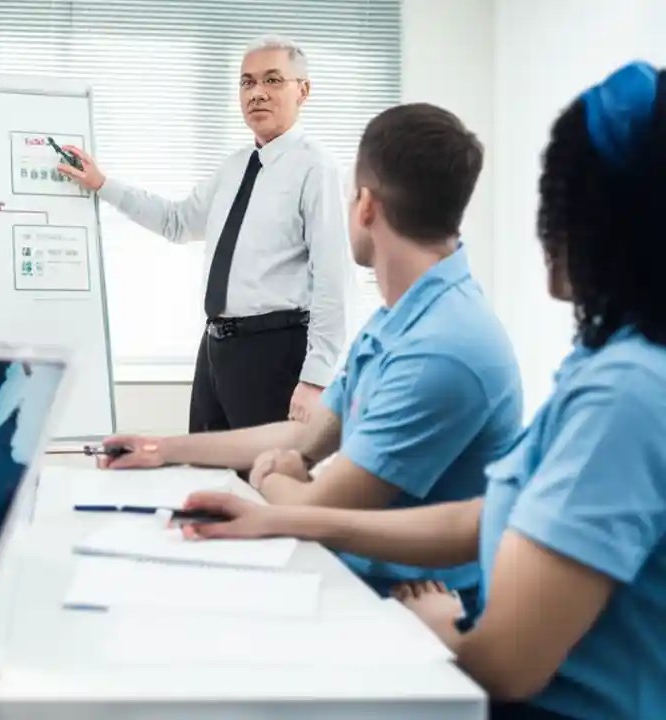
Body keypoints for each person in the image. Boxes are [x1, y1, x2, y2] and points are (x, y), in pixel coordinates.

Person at [180, 61, 666, 720]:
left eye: (558, 203)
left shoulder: (624, 392)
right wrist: (278, 513)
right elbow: (489, 515)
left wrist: (441, 627)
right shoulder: (607, 358)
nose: (544, 231)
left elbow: (504, 665)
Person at [103, 103, 522, 613]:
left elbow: (314, 506)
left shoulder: (445, 348)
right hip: (352, 574)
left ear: (364, 206)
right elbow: (304, 437)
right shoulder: (397, 320)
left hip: (407, 608)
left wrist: (271, 476)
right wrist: (162, 447)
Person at [59, 35, 349, 431]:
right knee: (205, 474)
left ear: (303, 91)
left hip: (275, 349)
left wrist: (316, 377)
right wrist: (102, 184)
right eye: (247, 82)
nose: (257, 93)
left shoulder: (317, 169)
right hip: (216, 347)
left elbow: (334, 279)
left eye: (272, 80)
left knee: (262, 481)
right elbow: (177, 223)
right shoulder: (234, 167)